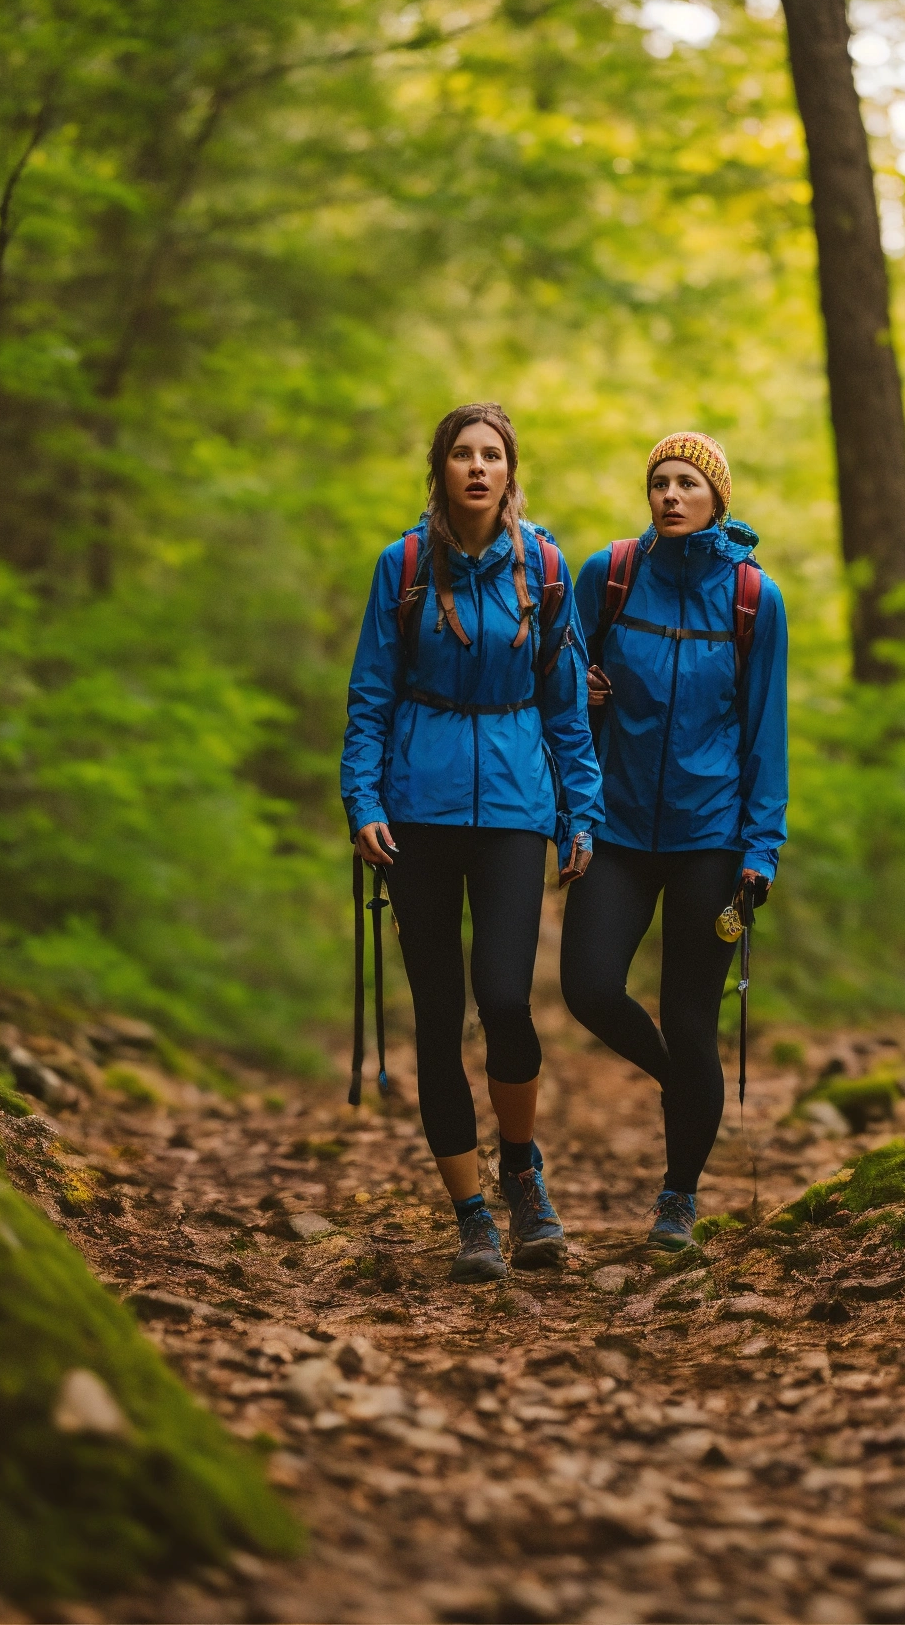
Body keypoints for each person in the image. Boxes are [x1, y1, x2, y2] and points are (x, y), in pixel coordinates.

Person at [341, 402, 602, 1283]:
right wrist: (361, 796)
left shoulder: (545, 568)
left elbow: (566, 705)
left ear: (510, 471)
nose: (478, 468)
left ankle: (523, 1173)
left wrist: (580, 812)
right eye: (463, 454)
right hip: (415, 809)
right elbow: (371, 691)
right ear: (441, 470)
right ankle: (470, 1216)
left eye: (492, 455)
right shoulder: (404, 566)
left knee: (505, 1001)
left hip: (516, 811)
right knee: (438, 1017)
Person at [560, 431, 789, 1252]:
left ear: (716, 499)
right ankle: (683, 1083)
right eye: (659, 481)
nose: (670, 494)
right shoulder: (609, 576)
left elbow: (767, 732)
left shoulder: (753, 598)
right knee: (588, 988)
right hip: (615, 828)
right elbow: (557, 690)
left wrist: (762, 848)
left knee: (692, 1019)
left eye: (688, 482)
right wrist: (577, 704)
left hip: (712, 835)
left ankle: (678, 1202)